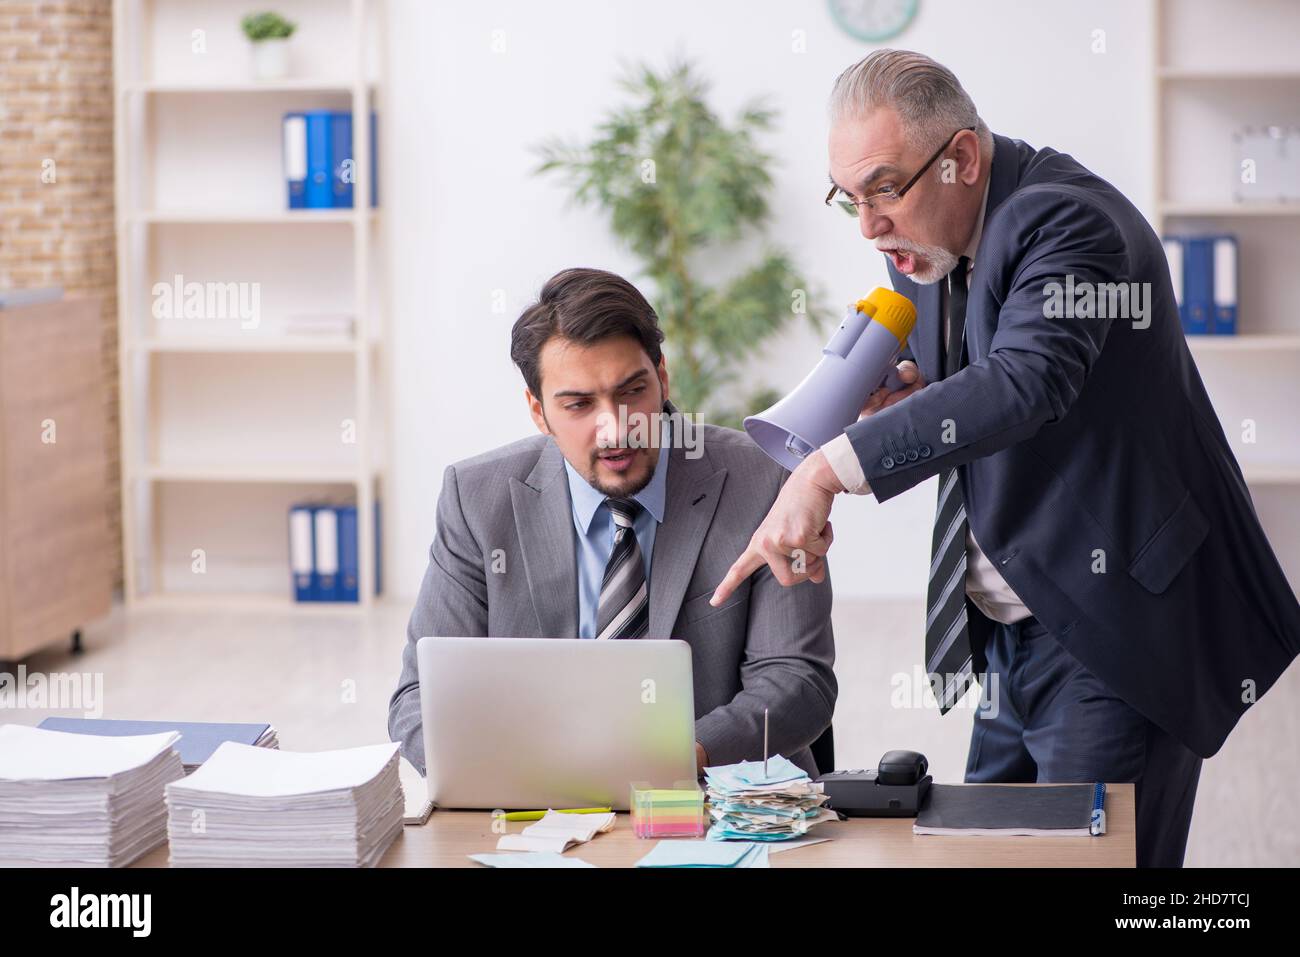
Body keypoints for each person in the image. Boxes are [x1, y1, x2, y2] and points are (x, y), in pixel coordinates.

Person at [710, 49, 1299, 867]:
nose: (869, 225)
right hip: (1012, 633)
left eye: (885, 188)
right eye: (851, 197)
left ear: (962, 156)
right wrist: (910, 398)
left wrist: (829, 469)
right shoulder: (932, 244)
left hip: (1113, 629)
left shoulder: (1067, 221)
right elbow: (985, 398)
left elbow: (1028, 380)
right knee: (983, 857)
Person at [389, 267, 837, 778]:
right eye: (579, 404)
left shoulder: (767, 481)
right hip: (532, 809)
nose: (615, 427)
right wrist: (526, 774)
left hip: (717, 802)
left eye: (631, 392)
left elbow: (798, 683)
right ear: (538, 412)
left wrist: (669, 760)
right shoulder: (476, 501)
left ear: (663, 378)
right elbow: (417, 700)